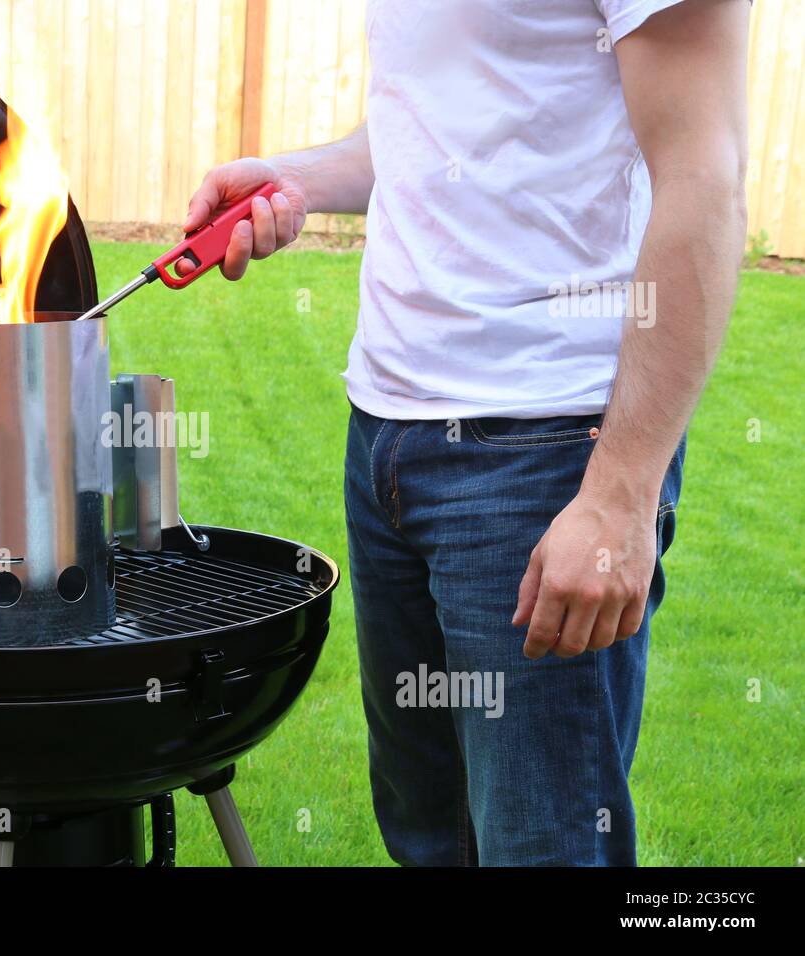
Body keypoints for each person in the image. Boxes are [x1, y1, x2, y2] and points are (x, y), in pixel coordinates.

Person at [180, 0, 750, 865]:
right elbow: (434, 129)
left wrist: (620, 496)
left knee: (541, 845)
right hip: (386, 437)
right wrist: (296, 177)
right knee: (429, 839)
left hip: (545, 451)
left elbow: (705, 177)